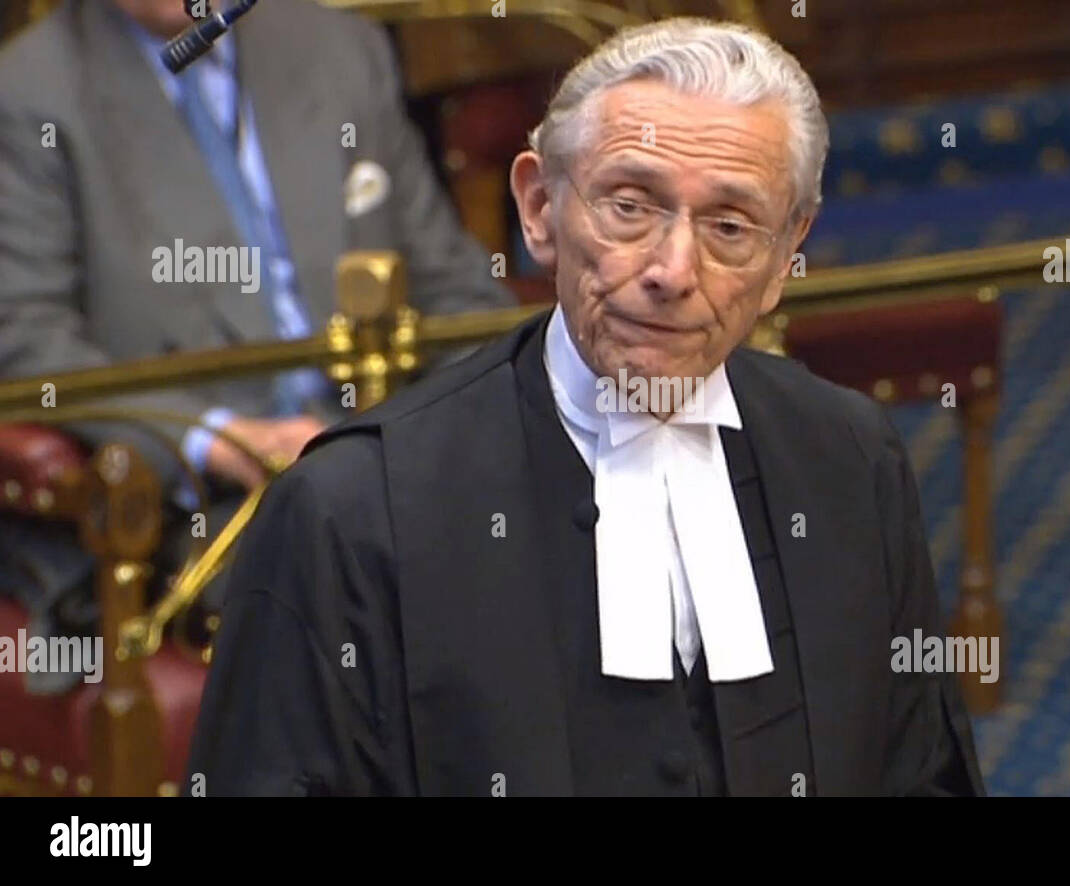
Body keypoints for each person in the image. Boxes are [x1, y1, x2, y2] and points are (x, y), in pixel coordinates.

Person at [188, 17, 985, 796]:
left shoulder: (850, 457)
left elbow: (920, 776)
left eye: (730, 226)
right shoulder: (351, 512)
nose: (674, 270)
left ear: (786, 256)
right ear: (539, 208)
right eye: (631, 206)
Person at [0, 0, 515, 688]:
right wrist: (228, 438)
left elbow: (454, 290)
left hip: (390, 452)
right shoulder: (32, 91)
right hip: (207, 506)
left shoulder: (340, 49)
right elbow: (29, 341)